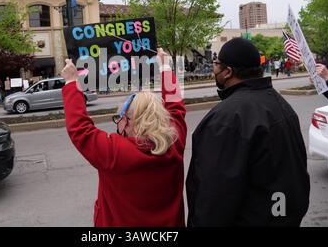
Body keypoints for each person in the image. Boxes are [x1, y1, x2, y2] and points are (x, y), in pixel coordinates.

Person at [186, 38, 310, 227]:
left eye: (217, 64)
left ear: (228, 72)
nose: (214, 69)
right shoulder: (280, 104)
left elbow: (214, 197)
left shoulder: (225, 119)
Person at [61, 48, 187, 227]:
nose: (117, 121)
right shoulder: (174, 141)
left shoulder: (115, 152)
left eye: (119, 117)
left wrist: (72, 81)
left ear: (128, 121)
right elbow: (176, 108)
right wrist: (165, 67)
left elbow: (80, 129)